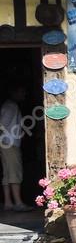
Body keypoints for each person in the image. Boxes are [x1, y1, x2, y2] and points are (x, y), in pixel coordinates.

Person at [0, 84, 31, 212]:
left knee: (7, 173)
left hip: (5, 143)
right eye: (22, 92)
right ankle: (17, 202)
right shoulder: (11, 106)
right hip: (9, 143)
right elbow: (2, 124)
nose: (24, 95)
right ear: (15, 93)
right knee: (15, 172)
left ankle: (8, 202)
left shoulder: (8, 105)